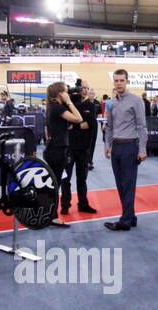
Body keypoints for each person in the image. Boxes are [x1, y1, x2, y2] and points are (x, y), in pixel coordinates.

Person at [103, 68, 147, 231]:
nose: (119, 83)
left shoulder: (136, 101)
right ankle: (131, 216)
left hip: (130, 146)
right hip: (116, 148)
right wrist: (108, 145)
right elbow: (109, 127)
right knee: (121, 185)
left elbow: (142, 126)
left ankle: (125, 221)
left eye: (121, 80)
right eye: (116, 80)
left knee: (128, 184)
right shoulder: (112, 103)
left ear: (127, 81)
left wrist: (142, 149)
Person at [43, 81, 83, 223]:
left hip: (55, 148)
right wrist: (70, 102)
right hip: (57, 150)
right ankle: (52, 217)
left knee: (55, 183)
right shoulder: (57, 107)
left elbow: (69, 125)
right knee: (56, 183)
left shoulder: (53, 107)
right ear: (61, 93)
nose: (68, 93)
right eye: (66, 91)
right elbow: (78, 119)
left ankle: (50, 214)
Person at [63, 82, 99, 214]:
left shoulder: (89, 105)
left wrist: (75, 126)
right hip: (69, 148)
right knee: (66, 178)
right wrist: (80, 124)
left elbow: (91, 126)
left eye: (85, 89)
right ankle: (65, 205)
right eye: (80, 89)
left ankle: (83, 204)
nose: (82, 92)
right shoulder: (66, 106)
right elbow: (66, 125)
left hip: (83, 148)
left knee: (81, 178)